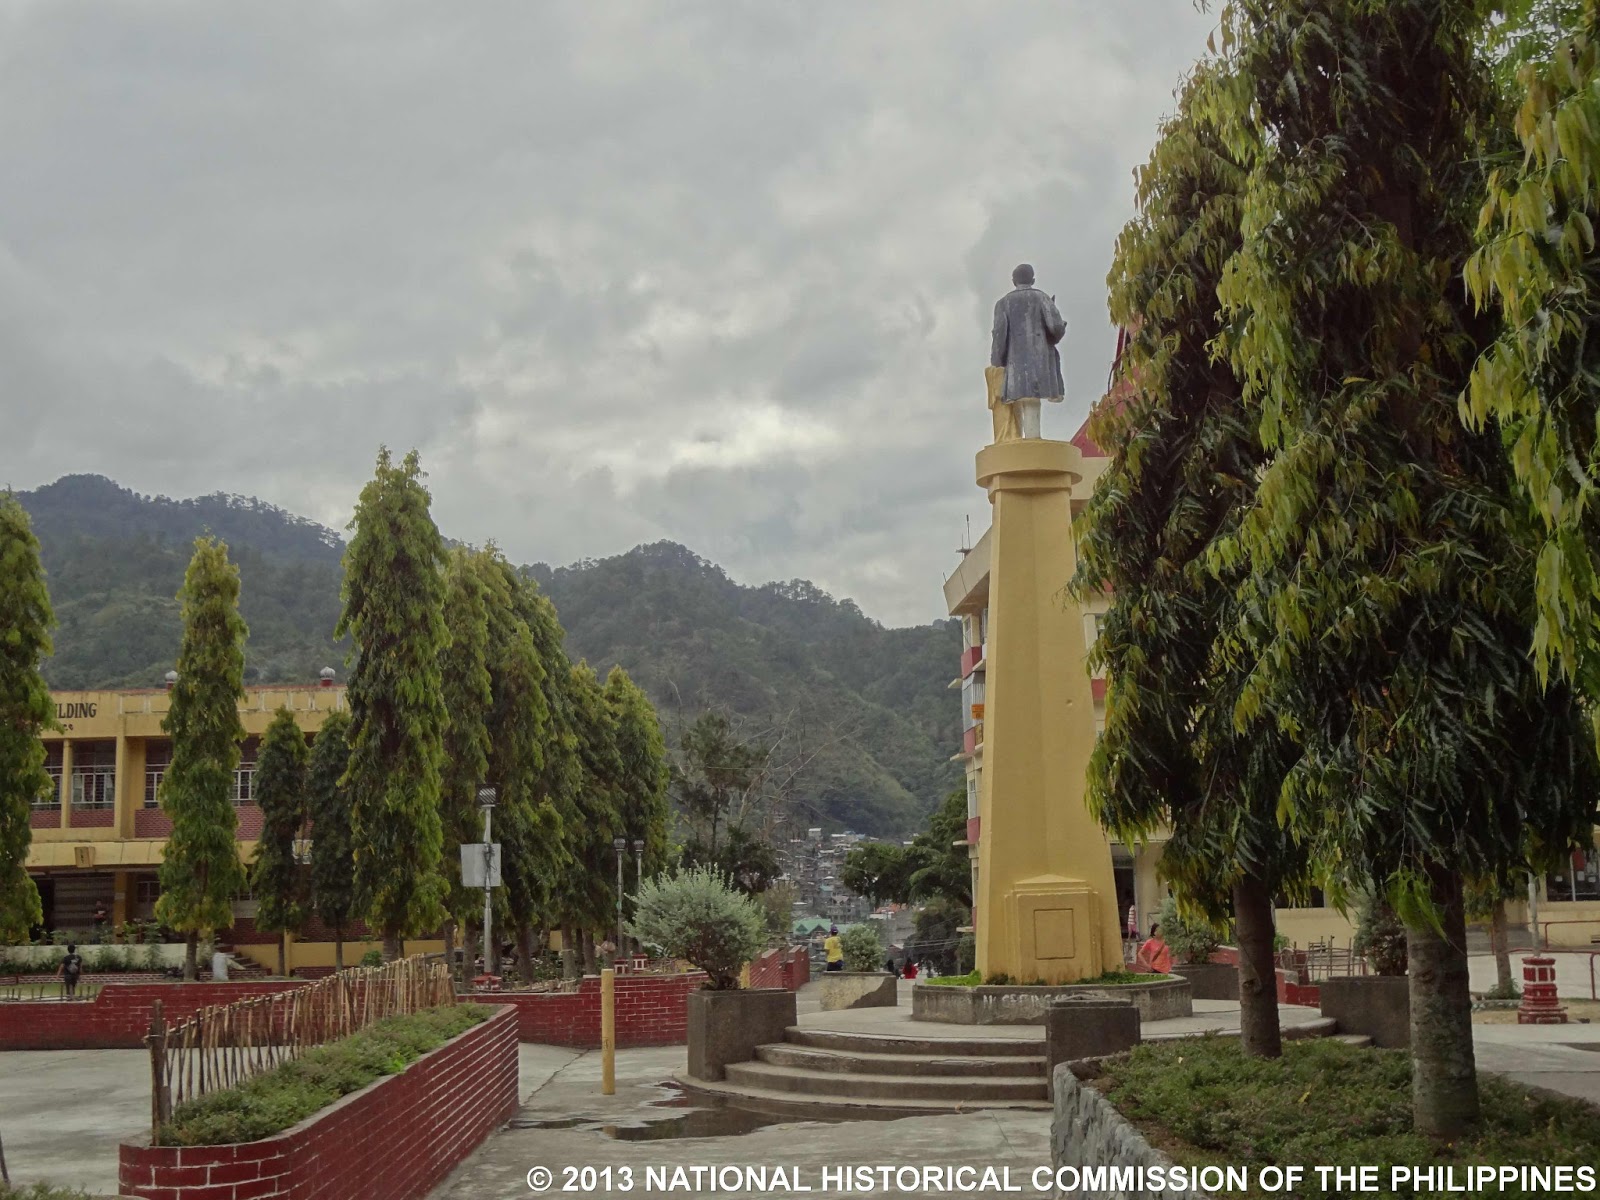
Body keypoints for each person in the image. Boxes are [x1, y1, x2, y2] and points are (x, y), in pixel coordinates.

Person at [989, 263, 1067, 441]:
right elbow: (1055, 327)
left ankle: (1024, 437)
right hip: (1040, 358)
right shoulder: (1043, 298)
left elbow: (999, 334)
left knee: (1021, 397)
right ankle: (1032, 436)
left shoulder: (1003, 303)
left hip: (1015, 362)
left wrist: (997, 360)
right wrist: (1061, 328)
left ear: (1013, 281)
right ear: (1033, 279)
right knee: (1033, 397)